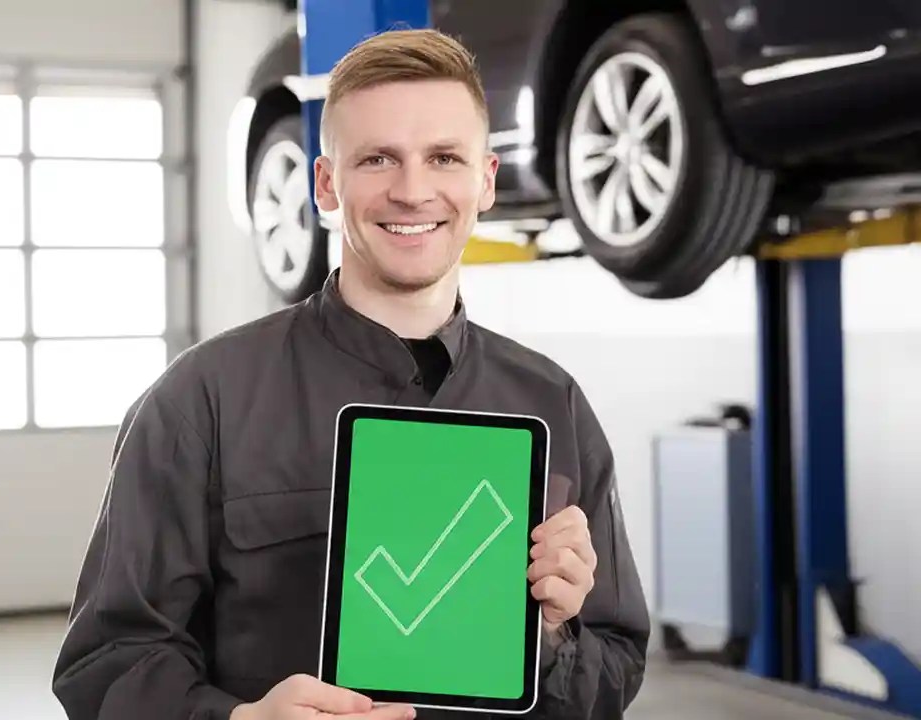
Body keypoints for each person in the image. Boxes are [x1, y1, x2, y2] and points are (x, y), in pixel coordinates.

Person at [52, 28, 649, 720]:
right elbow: (109, 662)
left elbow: (615, 674)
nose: (412, 190)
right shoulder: (200, 401)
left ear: (484, 181)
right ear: (327, 185)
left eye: (444, 158)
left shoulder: (554, 403)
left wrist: (551, 637)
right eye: (377, 159)